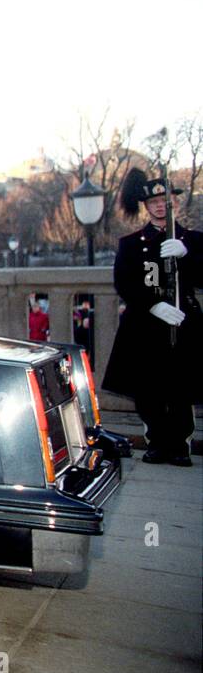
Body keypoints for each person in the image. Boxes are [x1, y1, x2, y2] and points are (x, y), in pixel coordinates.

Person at [102, 168, 202, 466]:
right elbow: (125, 282)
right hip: (145, 324)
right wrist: (153, 305)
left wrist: (189, 254)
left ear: (175, 202)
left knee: (181, 386)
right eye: (154, 201)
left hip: (182, 320)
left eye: (165, 200)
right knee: (150, 386)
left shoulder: (194, 240)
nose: (160, 206)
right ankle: (157, 442)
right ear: (146, 206)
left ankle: (180, 445)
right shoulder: (132, 243)